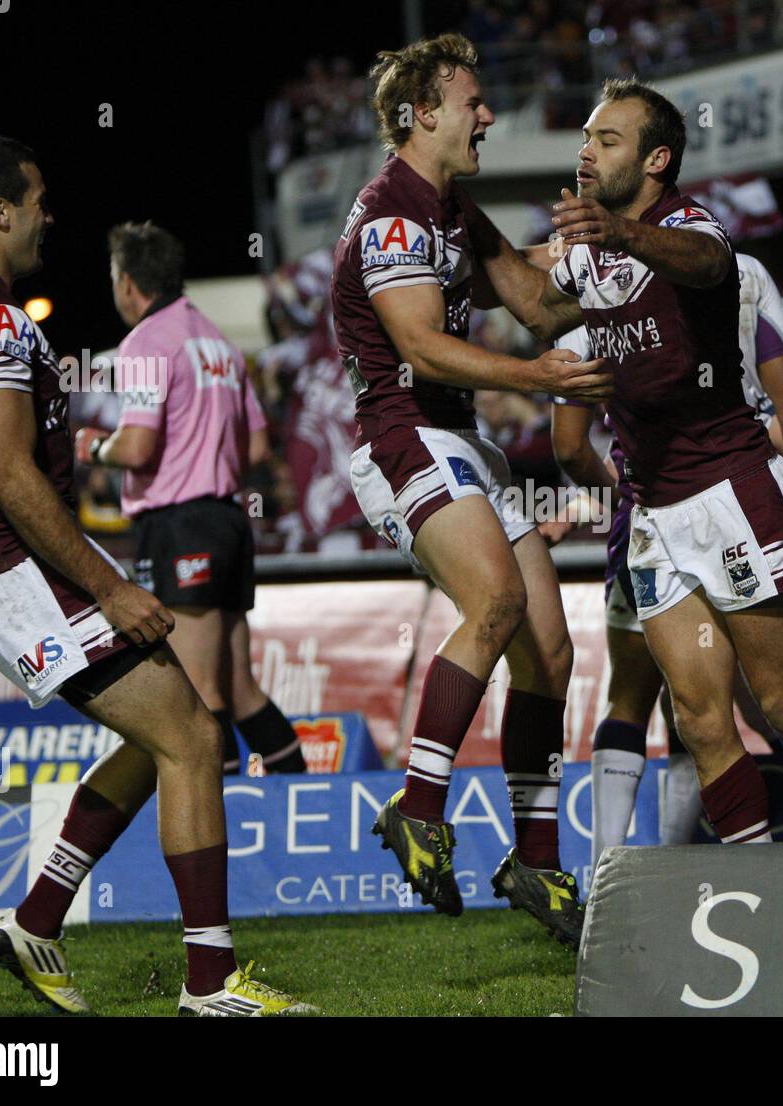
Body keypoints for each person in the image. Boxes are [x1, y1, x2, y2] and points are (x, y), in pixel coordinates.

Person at [0, 136, 310, 1014]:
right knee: (196, 738)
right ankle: (213, 987)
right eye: (39, 198)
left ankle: (38, 919)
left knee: (165, 732)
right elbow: (13, 476)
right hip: (21, 567)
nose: (52, 215)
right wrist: (111, 587)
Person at [464, 77, 783, 847]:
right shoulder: (591, 254)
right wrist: (452, 202)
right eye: (585, 138)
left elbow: (706, 265)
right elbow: (540, 307)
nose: (586, 153)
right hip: (651, 515)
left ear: (657, 159)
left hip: (731, 495)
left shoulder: (691, 232)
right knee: (699, 718)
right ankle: (755, 892)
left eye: (605, 141)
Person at [332, 34, 611, 945]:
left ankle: (534, 861)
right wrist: (542, 380)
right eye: (473, 102)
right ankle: (417, 805)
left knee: (551, 651)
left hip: (460, 439)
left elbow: (534, 301)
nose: (488, 115)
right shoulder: (393, 215)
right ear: (423, 114)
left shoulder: (453, 207)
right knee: (492, 599)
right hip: (403, 434)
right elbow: (421, 346)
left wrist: (609, 256)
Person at [551, 251, 783, 863]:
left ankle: (606, 870)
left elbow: (569, 447)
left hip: (647, 515)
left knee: (649, 699)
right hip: (744, 494)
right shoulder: (743, 277)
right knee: (754, 704)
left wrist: (615, 493)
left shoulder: (591, 311)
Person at [75, 221, 306, 777]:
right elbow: (253, 447)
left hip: (181, 526)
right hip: (228, 521)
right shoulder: (219, 343)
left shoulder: (146, 342)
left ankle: (224, 832)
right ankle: (301, 792)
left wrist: (93, 447)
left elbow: (135, 447)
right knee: (240, 688)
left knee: (200, 693)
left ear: (128, 282)